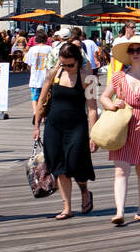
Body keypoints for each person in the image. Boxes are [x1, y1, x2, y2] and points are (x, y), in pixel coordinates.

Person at [100, 35, 140, 226]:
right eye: (131, 50)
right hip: (122, 125)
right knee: (120, 170)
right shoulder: (118, 76)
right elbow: (104, 97)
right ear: (128, 54)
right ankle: (120, 211)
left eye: (138, 50)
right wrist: (111, 105)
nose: (135, 53)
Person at [34, 42, 99, 220]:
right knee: (60, 166)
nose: (67, 68)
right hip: (54, 126)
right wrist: (36, 126)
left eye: (70, 65)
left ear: (78, 61)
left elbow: (92, 109)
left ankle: (84, 190)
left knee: (76, 163)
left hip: (77, 126)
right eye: (63, 64)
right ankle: (67, 207)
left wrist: (93, 135)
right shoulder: (54, 74)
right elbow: (41, 100)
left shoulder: (88, 79)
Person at [24, 31, 55, 124]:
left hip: (35, 76)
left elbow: (28, 64)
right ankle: (43, 115)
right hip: (46, 77)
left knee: (34, 96)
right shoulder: (50, 49)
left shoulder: (32, 49)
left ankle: (35, 112)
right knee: (45, 97)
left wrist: (30, 69)